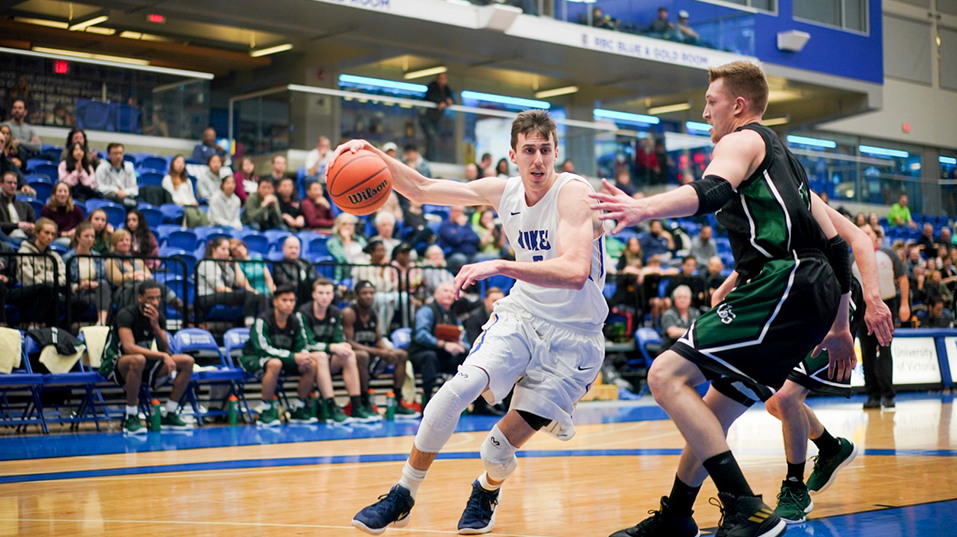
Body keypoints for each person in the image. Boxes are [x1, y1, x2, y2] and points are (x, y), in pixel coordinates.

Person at [592, 61, 857, 537]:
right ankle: (677, 514)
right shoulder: (788, 162)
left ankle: (744, 507)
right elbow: (837, 245)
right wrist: (839, 326)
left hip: (784, 282)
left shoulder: (741, 140)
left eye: (711, 101)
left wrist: (642, 207)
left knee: (664, 373)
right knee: (713, 412)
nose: (704, 110)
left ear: (738, 105)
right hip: (805, 291)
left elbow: (712, 190)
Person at [339, 109, 608, 535]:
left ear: (556, 152)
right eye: (529, 151)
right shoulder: (504, 191)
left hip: (574, 337)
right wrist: (371, 153)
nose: (538, 160)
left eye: (545, 150)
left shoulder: (572, 193)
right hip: (523, 314)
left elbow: (575, 271)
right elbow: (423, 189)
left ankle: (486, 488)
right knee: (458, 388)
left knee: (496, 449)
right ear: (513, 156)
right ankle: (403, 493)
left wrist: (499, 264)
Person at [238, 285, 350, 426]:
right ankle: (265, 409)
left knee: (311, 364)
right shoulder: (263, 320)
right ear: (275, 302)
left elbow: (301, 345)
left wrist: (303, 356)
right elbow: (263, 349)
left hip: (283, 357)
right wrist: (294, 357)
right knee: (275, 363)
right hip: (254, 358)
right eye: (284, 300)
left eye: (292, 300)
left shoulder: (294, 320)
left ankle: (299, 406)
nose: (289, 304)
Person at [99, 280, 195, 434]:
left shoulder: (158, 317)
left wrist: (156, 327)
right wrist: (163, 355)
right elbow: (128, 348)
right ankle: (131, 416)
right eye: (150, 298)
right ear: (140, 298)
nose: (155, 302)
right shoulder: (126, 314)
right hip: (115, 361)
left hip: (142, 363)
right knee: (138, 359)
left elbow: (165, 347)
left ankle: (169, 413)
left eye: (158, 298)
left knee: (187, 361)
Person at [299, 278, 378, 422]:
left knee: (349, 355)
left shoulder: (335, 312)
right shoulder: (304, 313)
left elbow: (338, 338)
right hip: (306, 359)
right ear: (313, 294)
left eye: (328, 293)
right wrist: (332, 347)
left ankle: (356, 405)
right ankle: (331, 406)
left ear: (332, 295)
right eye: (321, 293)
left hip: (327, 359)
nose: (324, 297)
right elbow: (306, 344)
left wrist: (342, 345)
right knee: (322, 356)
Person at [342, 280, 414, 420]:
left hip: (371, 354)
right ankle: (363, 402)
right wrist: (380, 352)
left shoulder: (373, 313)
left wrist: (388, 351)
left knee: (401, 355)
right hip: (352, 356)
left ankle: (397, 400)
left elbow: (378, 339)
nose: (368, 296)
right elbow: (349, 342)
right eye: (364, 293)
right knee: (362, 355)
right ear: (357, 296)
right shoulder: (349, 312)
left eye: (371, 293)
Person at [857, 224, 909, 410]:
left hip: (887, 304)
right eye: (862, 233)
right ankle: (873, 396)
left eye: (868, 233)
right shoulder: (851, 257)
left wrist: (904, 304)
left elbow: (902, 278)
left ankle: (888, 395)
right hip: (862, 308)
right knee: (867, 352)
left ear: (874, 235)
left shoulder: (889, 253)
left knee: (885, 350)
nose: (865, 236)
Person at [408, 280, 472, 407]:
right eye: (445, 291)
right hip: (421, 352)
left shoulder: (454, 316)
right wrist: (442, 344)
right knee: (430, 357)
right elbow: (420, 334)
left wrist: (462, 345)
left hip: (445, 353)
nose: (449, 294)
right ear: (436, 294)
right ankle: (428, 398)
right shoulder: (426, 311)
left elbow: (464, 338)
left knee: (465, 357)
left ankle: (462, 399)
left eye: (451, 292)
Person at [196, 237, 268, 327]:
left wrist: (235, 264)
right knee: (248, 294)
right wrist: (235, 295)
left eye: (228, 250)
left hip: (221, 295)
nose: (226, 252)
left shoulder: (225, 265)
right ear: (214, 249)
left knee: (260, 297)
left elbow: (239, 283)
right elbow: (219, 288)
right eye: (223, 249)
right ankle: (249, 325)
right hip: (206, 297)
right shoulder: (208, 263)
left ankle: (263, 325)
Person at [16, 218, 66, 328]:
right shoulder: (24, 252)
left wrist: (44, 279)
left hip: (50, 292)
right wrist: (48, 281)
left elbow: (62, 279)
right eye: (46, 233)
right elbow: (27, 278)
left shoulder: (54, 256)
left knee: (66, 299)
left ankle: (54, 332)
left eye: (53, 234)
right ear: (37, 233)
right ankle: (34, 325)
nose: (50, 237)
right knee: (47, 289)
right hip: (29, 292)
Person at [63, 223, 112, 326]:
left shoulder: (98, 257)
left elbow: (103, 278)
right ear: (78, 237)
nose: (90, 239)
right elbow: (63, 281)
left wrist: (93, 284)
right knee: (101, 299)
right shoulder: (68, 258)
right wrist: (78, 286)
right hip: (77, 293)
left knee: (103, 286)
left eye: (92, 236)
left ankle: (101, 322)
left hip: (95, 291)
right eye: (86, 236)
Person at [163, 155, 208, 228]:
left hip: (190, 205)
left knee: (203, 213)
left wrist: (194, 201)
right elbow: (170, 196)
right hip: (178, 205)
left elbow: (191, 196)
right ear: (172, 164)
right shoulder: (167, 179)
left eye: (182, 163)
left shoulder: (187, 180)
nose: (180, 165)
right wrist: (181, 203)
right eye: (178, 162)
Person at [272, 236, 319, 306]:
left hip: (307, 297)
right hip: (289, 297)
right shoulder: (278, 265)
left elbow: (316, 277)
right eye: (290, 248)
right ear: (283, 249)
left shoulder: (306, 263)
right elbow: (282, 283)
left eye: (296, 248)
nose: (294, 251)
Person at [420, 73, 455, 162]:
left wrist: (446, 103)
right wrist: (441, 102)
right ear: (437, 79)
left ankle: (431, 158)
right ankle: (429, 158)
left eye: (444, 78)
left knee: (435, 137)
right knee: (431, 136)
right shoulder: (432, 86)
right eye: (441, 78)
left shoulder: (446, 88)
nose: (443, 80)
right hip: (427, 117)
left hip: (437, 118)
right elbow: (430, 98)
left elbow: (451, 99)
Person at [95, 143, 139, 208]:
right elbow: (98, 187)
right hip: (108, 198)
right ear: (108, 154)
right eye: (115, 153)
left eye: (120, 153)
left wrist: (125, 192)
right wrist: (115, 191)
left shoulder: (129, 167)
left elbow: (135, 190)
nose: (118, 156)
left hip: (126, 197)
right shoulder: (102, 167)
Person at [40, 181, 84, 248]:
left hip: (74, 238)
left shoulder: (77, 210)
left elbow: (83, 227)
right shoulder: (47, 210)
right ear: (54, 193)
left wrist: (76, 231)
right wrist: (66, 234)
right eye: (60, 191)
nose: (62, 194)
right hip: (54, 239)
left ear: (69, 194)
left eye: (65, 191)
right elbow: (45, 231)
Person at [327, 212, 367, 279]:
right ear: (338, 226)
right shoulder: (332, 243)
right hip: (345, 274)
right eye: (344, 224)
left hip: (363, 272)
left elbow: (368, 255)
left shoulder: (360, 240)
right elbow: (343, 259)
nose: (348, 227)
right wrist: (346, 240)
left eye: (350, 224)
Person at [0, 170, 36, 241]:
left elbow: (34, 223)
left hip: (25, 237)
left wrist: (33, 226)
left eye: (15, 183)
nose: (13, 186)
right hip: (6, 238)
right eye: (9, 183)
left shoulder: (24, 205)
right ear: (1, 185)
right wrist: (17, 225)